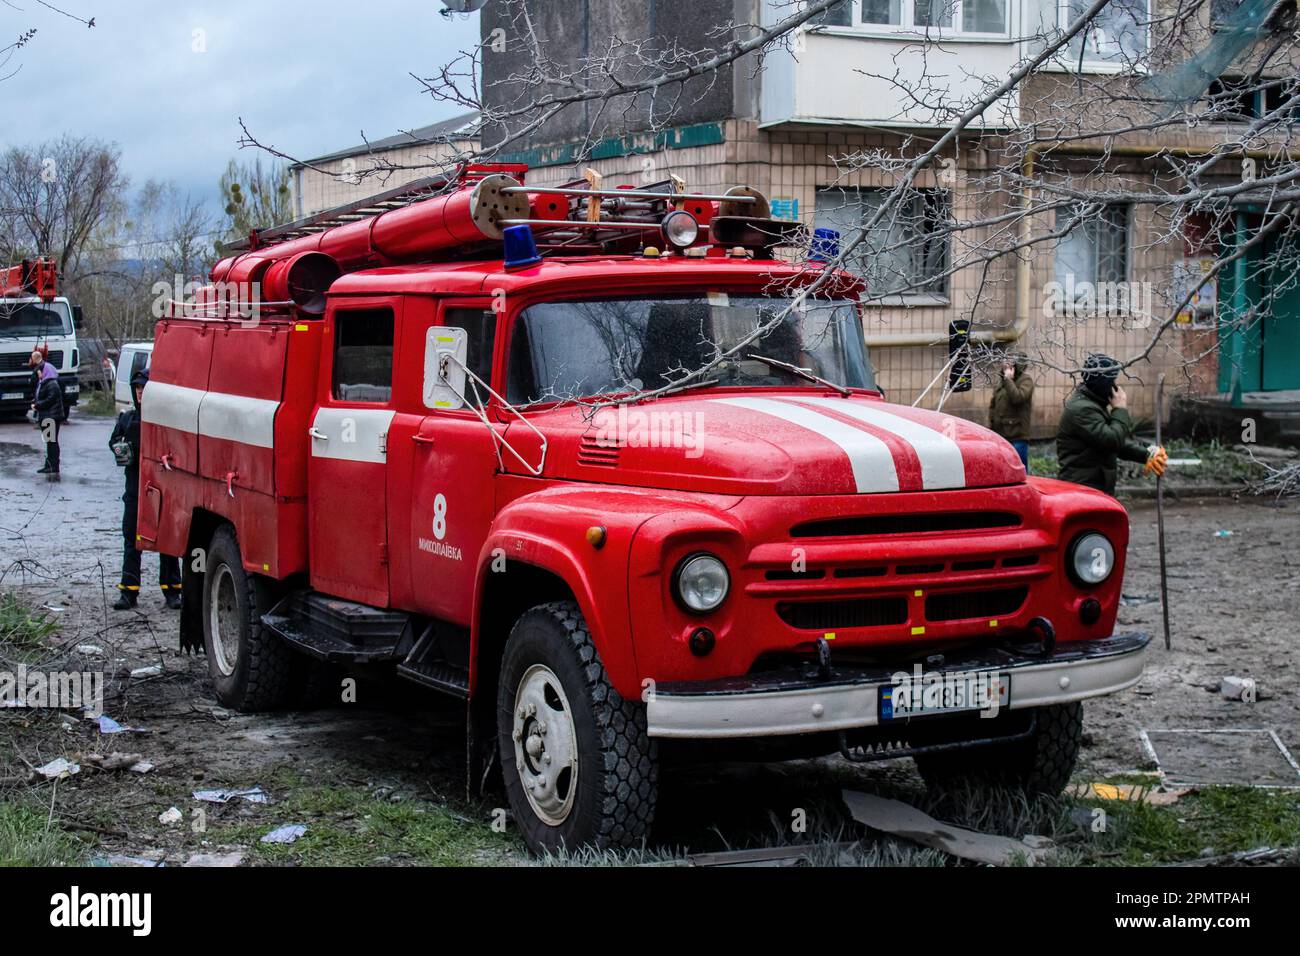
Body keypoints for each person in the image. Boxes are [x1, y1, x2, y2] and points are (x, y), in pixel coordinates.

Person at [110, 367, 182, 610]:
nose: (140, 393)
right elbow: (113, 442)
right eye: (137, 389)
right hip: (134, 489)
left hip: (162, 490)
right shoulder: (127, 418)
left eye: (144, 389)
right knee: (131, 539)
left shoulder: (165, 422)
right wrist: (121, 449)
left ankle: (172, 591)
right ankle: (128, 593)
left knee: (167, 542)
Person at [1057, 353, 1167, 496]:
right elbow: (1112, 440)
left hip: (1091, 487)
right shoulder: (1083, 409)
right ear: (1104, 384)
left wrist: (1146, 454)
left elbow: (1111, 442)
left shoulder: (1092, 403)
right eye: (1113, 381)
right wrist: (1120, 410)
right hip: (1083, 490)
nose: (1116, 387)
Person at [988, 351, 1034, 470]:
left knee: (1019, 471)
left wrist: (1008, 380)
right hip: (1001, 436)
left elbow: (1018, 397)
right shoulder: (1002, 383)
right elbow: (993, 406)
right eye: (1005, 364)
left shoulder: (1026, 380)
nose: (1006, 367)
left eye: (1010, 365)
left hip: (1017, 436)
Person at [30, 350, 65, 476]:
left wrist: (37, 405)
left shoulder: (51, 384)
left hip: (51, 416)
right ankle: (49, 464)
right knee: (49, 441)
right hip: (47, 416)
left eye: (40, 371)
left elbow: (50, 399)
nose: (38, 373)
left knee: (52, 441)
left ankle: (53, 465)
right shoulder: (44, 383)